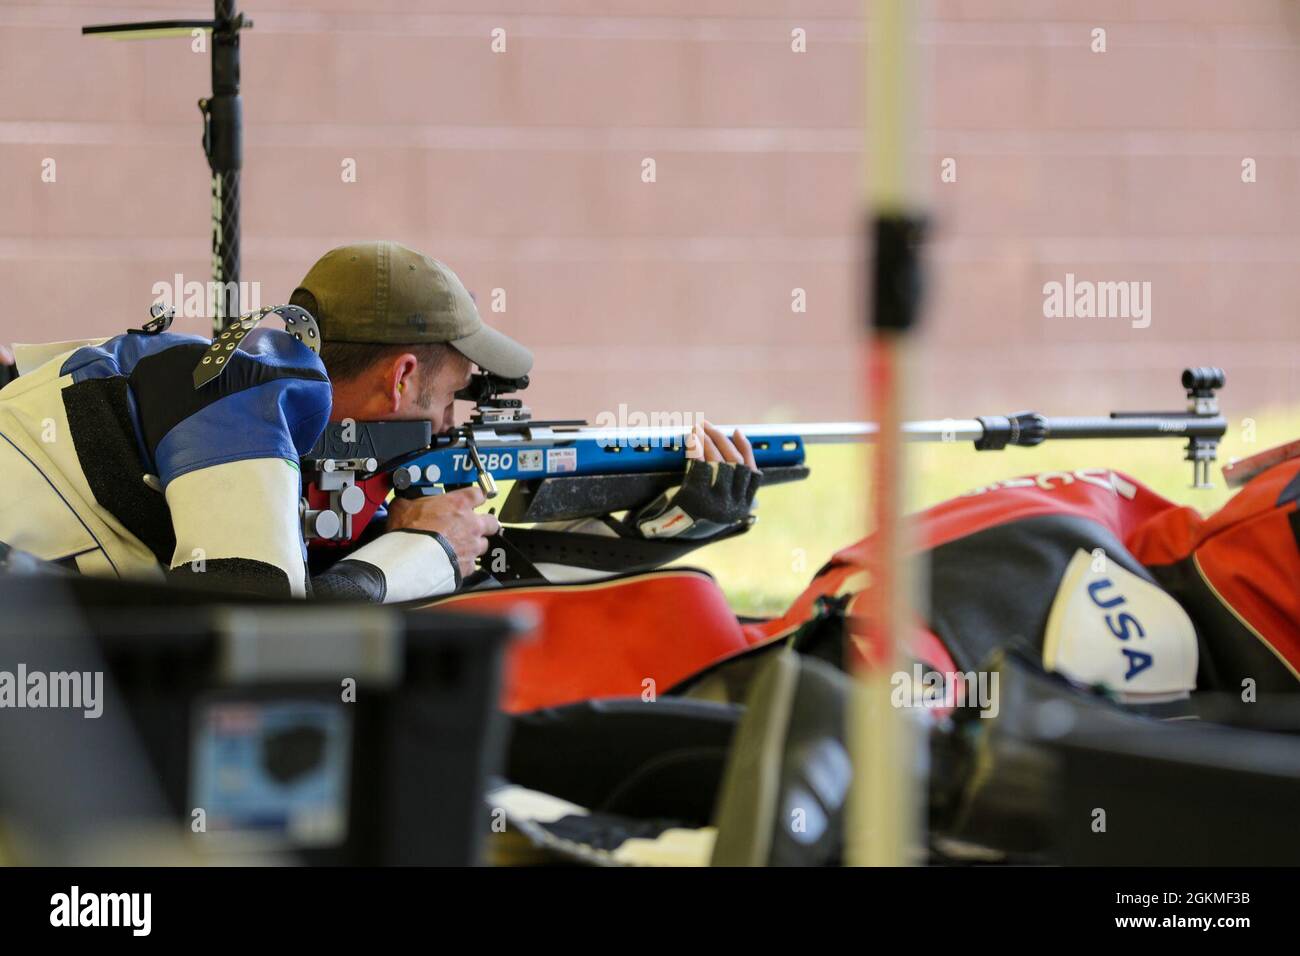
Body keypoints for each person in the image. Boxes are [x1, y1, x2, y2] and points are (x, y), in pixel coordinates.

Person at [0, 241, 760, 603]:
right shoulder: (240, 392)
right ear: (401, 377)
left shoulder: (260, 425)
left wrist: (677, 524)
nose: (449, 429)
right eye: (451, 402)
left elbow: (511, 584)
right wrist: (422, 548)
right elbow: (253, 631)